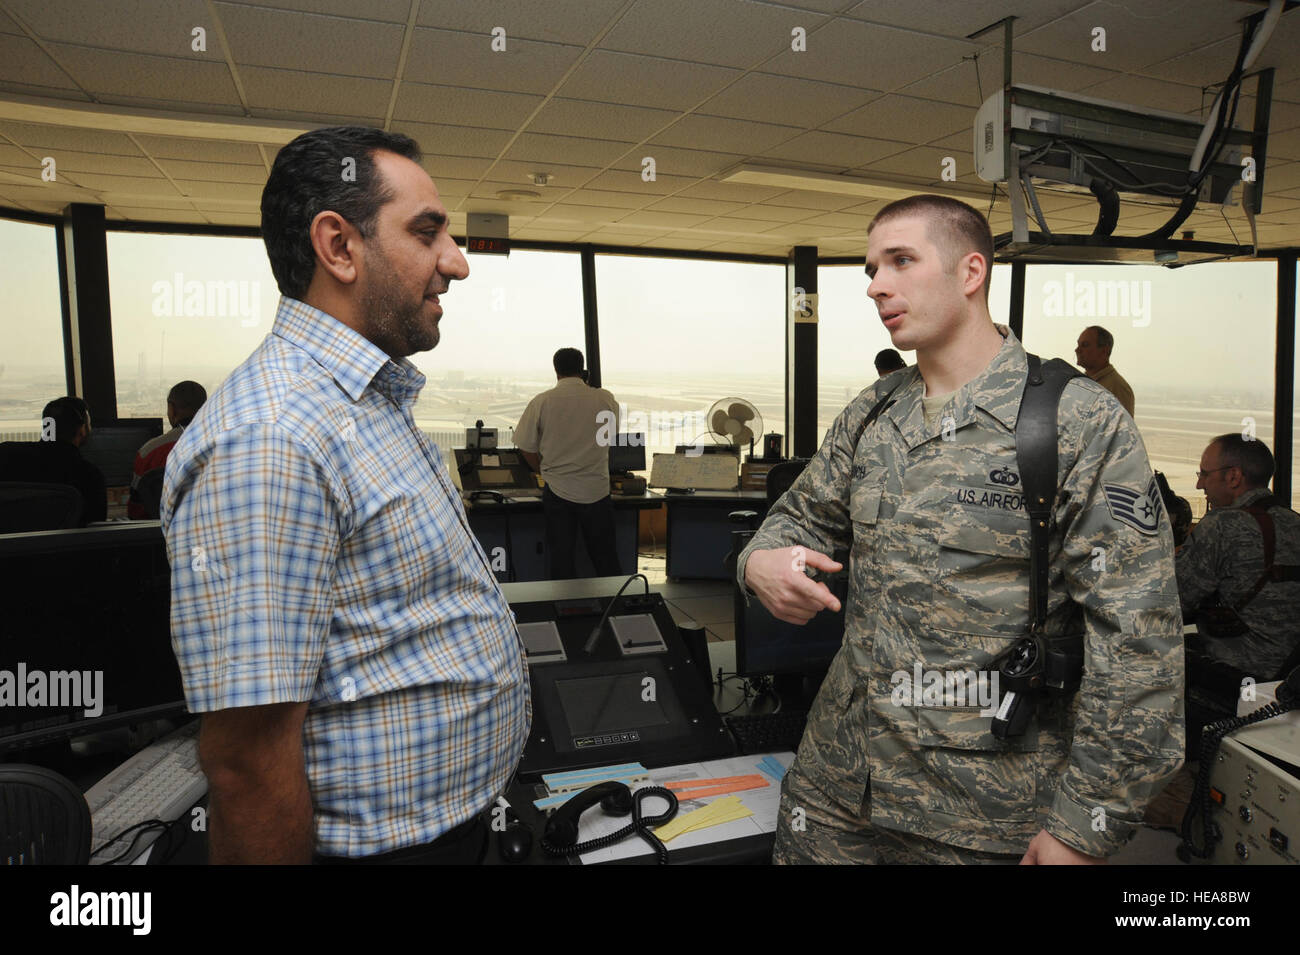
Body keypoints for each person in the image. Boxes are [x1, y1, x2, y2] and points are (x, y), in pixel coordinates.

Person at [738, 194, 1184, 864]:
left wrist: (1084, 828)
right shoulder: (871, 414)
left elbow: (1139, 645)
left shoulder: (1074, 421)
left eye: (900, 261)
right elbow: (793, 519)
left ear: (970, 272)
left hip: (980, 813)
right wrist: (760, 563)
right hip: (837, 790)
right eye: (870, 267)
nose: (874, 285)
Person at [162, 126, 530, 864]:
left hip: (461, 830)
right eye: (427, 233)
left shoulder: (366, 402)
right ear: (338, 246)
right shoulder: (272, 439)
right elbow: (247, 762)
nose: (455, 262)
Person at [1176, 434, 1300, 754]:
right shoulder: (1294, 523)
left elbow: (1174, 600)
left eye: (1205, 474)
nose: (1201, 485)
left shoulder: (1222, 526)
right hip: (1288, 677)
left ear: (1233, 476)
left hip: (1241, 677)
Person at [514, 348, 622, 579]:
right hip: (598, 490)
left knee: (561, 559)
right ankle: (616, 608)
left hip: (558, 491)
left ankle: (565, 609)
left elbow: (525, 446)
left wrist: (542, 470)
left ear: (556, 370)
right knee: (606, 558)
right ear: (583, 370)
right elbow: (610, 439)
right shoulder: (605, 399)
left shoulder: (542, 401)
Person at [0, 396, 106, 525]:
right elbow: (96, 528)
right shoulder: (89, 475)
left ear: (46, 426)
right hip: (63, 544)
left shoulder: (5, 455)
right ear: (81, 429)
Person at [127, 380, 207, 519]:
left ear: (172, 409)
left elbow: (136, 510)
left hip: (157, 536)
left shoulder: (149, 452)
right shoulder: (224, 445)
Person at [1074, 325, 1135, 417]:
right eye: (1078, 345)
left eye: (1085, 345)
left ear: (1104, 351)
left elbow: (1122, 429)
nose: (1077, 350)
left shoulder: (1118, 388)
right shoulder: (1079, 383)